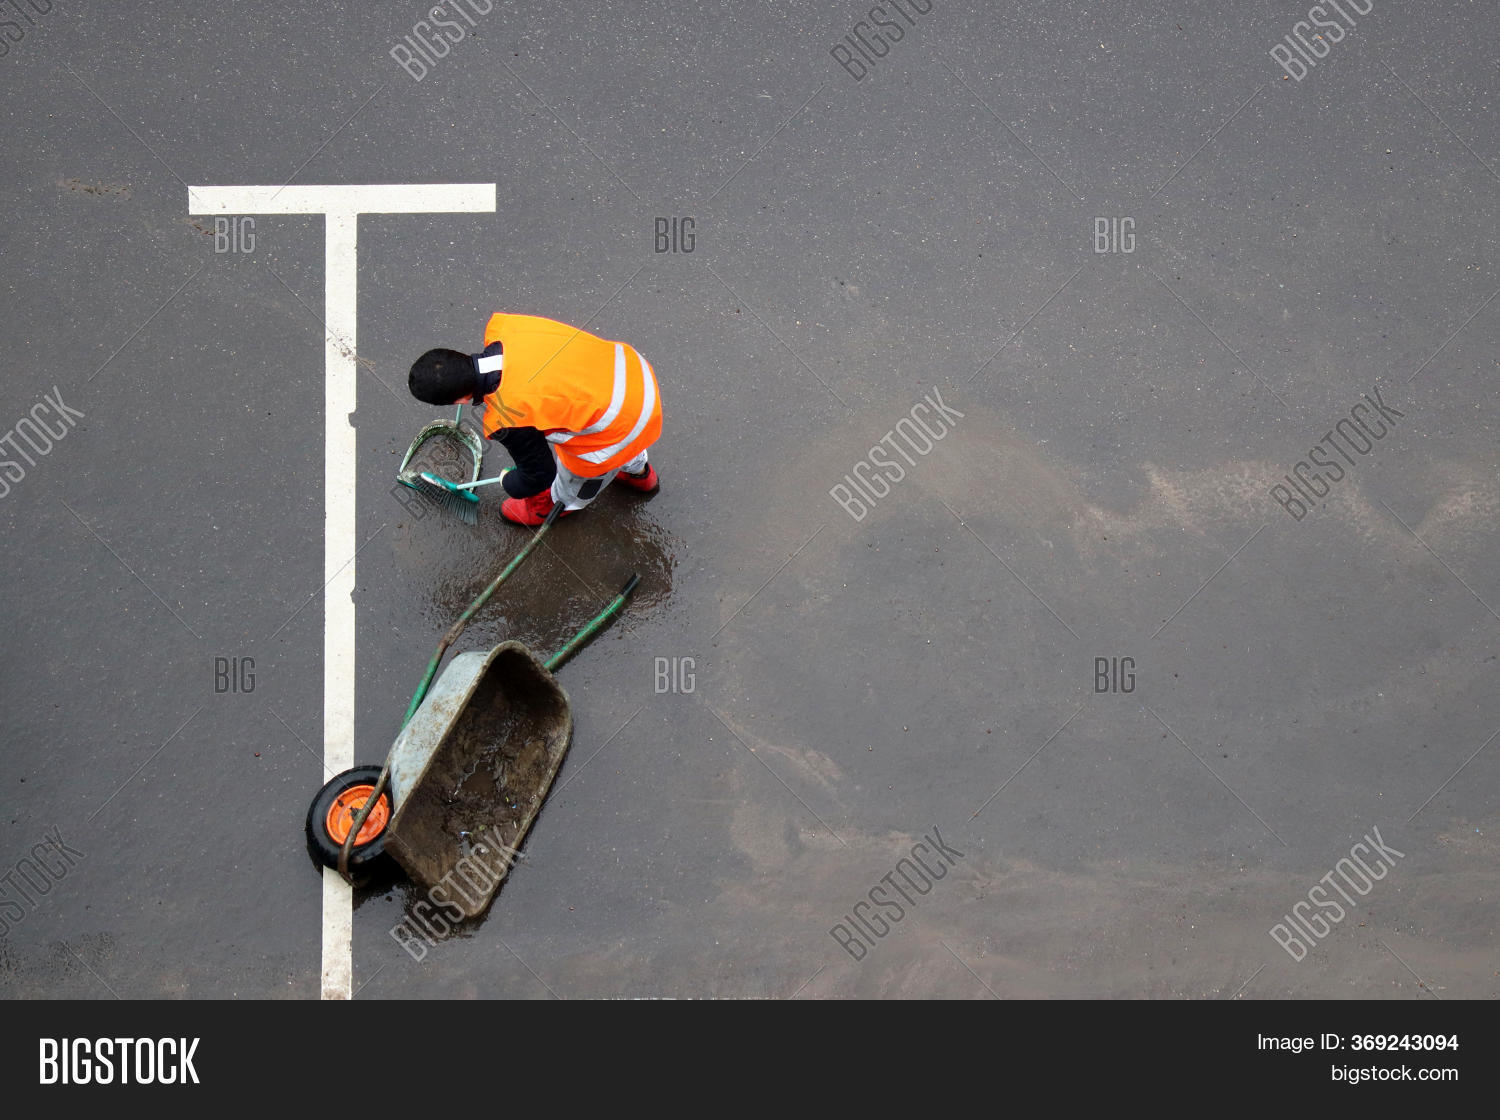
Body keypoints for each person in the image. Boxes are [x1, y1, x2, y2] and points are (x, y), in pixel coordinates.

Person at [407, 312, 662, 525]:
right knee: (609, 423)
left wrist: (511, 483)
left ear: (460, 400)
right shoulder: (506, 330)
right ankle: (639, 474)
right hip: (633, 377)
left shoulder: (508, 417)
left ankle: (558, 506)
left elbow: (540, 475)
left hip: (621, 425)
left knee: (584, 467)